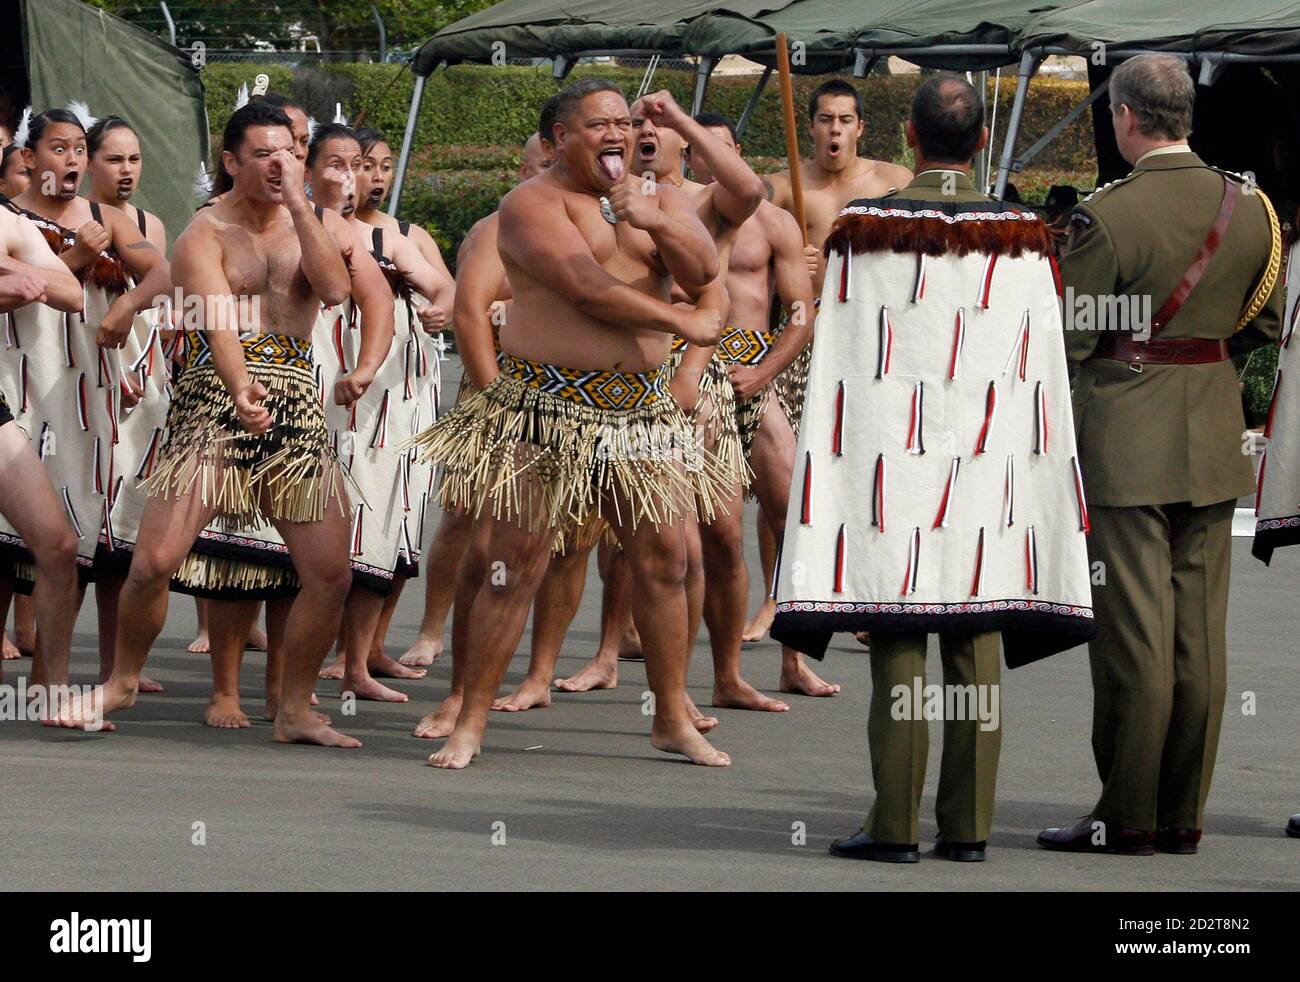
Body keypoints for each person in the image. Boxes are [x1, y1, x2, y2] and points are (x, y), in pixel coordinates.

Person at [770, 76, 1095, 863]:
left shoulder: (861, 227)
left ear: (909, 141)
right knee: (976, 638)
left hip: (890, 465)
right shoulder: (1026, 232)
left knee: (900, 635)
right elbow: (1040, 369)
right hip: (990, 468)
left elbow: (841, 361)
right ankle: (968, 828)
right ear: (982, 142)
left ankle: (892, 826)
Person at [406, 78, 729, 768]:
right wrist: (683, 321)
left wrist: (655, 221)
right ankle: (470, 719)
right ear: (558, 140)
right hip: (545, 405)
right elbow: (586, 289)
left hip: (640, 409)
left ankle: (670, 715)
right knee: (507, 566)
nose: (618, 133)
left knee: (666, 561)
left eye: (624, 121)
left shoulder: (660, 198)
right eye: (598, 124)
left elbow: (706, 272)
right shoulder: (529, 204)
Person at [54, 100, 393, 745]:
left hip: (296, 398)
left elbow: (336, 292)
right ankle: (123, 679)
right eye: (264, 154)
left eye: (289, 153)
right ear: (233, 163)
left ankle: (294, 708)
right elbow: (215, 318)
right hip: (216, 398)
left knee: (329, 574)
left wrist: (301, 208)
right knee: (153, 561)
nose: (279, 164)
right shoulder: (203, 233)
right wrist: (238, 386)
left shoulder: (320, 224)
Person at [1040, 54, 1284, 856]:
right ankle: (1182, 814)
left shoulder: (1107, 217)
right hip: (1211, 435)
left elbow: (1068, 338)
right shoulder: (1251, 208)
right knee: (1198, 642)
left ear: (1128, 118)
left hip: (1127, 441)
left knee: (1136, 641)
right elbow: (1259, 321)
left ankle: (1128, 816)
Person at [2, 106, 172, 694]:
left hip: (83, 390)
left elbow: (162, 274)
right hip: (19, 378)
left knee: (70, 537)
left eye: (79, 149)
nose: (71, 161)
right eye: (58, 149)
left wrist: (127, 305)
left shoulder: (106, 217)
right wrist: (75, 257)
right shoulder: (11, 217)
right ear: (29, 158)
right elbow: (46, 287)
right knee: (10, 542)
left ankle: (57, 678)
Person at [749, 79, 913, 648]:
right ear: (812, 125)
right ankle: (779, 595)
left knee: (870, 471)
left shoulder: (894, 184)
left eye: (845, 119)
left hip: (868, 341)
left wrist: (848, 268)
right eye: (824, 119)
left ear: (861, 127)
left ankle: (872, 599)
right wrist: (790, 266)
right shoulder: (781, 188)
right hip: (802, 337)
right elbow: (745, 261)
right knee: (785, 478)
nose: (834, 129)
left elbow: (916, 262)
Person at [411, 126, 559, 738]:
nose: (550, 174)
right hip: (493, 394)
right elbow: (464, 305)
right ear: (522, 170)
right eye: (542, 164)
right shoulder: (495, 229)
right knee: (470, 532)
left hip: (573, 401)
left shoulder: (603, 226)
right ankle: (440, 650)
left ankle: (541, 673)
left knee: (567, 547)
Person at [304, 123, 453, 703]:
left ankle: (359, 659)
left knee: (385, 512)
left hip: (393, 394)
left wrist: (442, 306)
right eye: (345, 165)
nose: (360, 177)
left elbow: (448, 289)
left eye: (369, 166)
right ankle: (300, 664)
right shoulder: (298, 230)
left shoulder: (394, 238)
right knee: (314, 517)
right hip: (319, 386)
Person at [0, 199, 84, 695]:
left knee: (57, 545)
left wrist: (13, 266)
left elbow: (70, 292)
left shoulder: (9, 224)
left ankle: (50, 688)